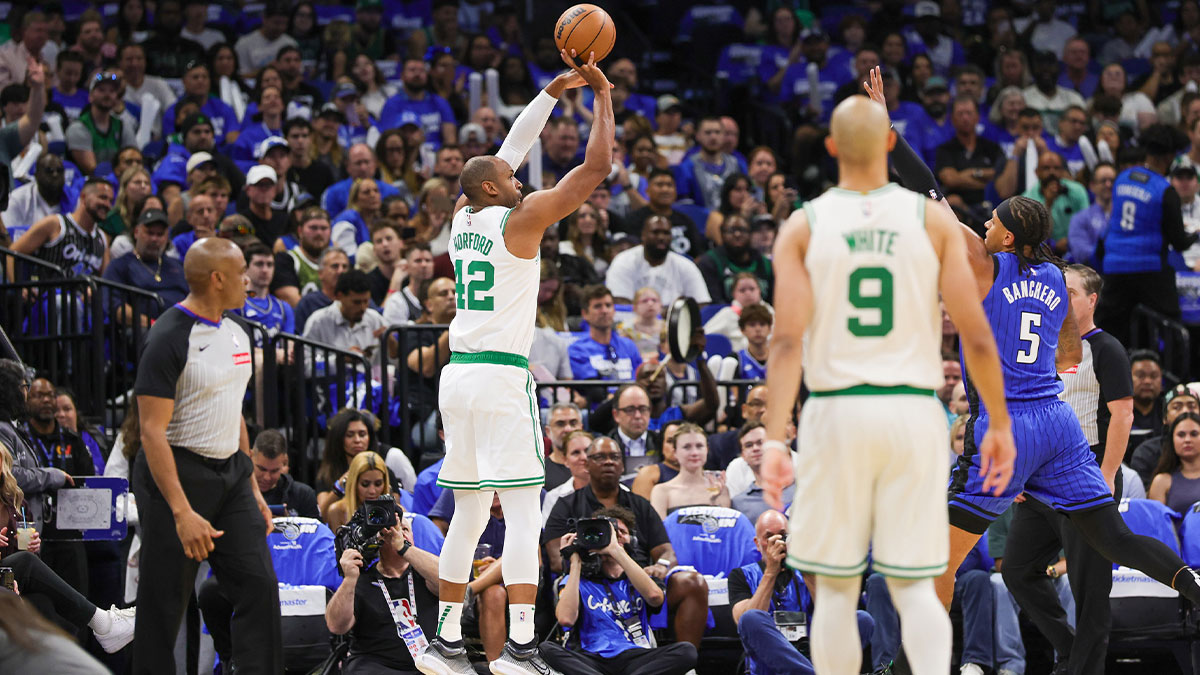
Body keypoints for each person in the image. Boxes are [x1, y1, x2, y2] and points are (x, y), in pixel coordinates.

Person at [865, 66, 1200, 642]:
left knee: (936, 564)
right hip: (1057, 421)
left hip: (1007, 425)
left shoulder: (983, 262)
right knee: (1112, 537)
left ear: (1008, 238)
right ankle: (1192, 585)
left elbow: (926, 191)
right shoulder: (1054, 273)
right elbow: (1069, 354)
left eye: (992, 220)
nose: (985, 222)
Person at [759, 88, 1016, 675]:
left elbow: (786, 342)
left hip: (834, 413)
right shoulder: (932, 220)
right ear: (892, 143)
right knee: (918, 586)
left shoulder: (803, 225)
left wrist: (775, 438)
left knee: (838, 589)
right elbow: (976, 335)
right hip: (912, 412)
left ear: (830, 148)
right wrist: (998, 422)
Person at [415, 50, 613, 675]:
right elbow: (596, 167)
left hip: (458, 377)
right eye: (511, 175)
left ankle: (445, 642)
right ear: (495, 188)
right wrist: (602, 96)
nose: (521, 175)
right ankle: (521, 648)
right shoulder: (521, 220)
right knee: (524, 511)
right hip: (501, 375)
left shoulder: (463, 216)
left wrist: (553, 90)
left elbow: (508, 149)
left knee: (470, 513)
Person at [132, 236, 281, 673]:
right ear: (217, 279)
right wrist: (181, 512)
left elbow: (233, 409)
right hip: (175, 476)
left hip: (232, 475)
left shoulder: (238, 330)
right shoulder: (169, 336)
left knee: (259, 586)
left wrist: (251, 484)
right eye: (240, 273)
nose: (248, 280)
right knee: (163, 603)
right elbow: (151, 432)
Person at [1000, 263, 1135, 675]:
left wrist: (1107, 474)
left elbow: (1124, 415)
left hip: (1085, 473)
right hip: (1040, 478)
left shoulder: (1105, 347)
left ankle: (1083, 669)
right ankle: (1068, 648)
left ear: (1091, 300)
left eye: (1071, 293)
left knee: (1089, 589)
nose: (1062, 299)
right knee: (1018, 570)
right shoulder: (1041, 346)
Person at [543, 437, 709, 648]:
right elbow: (558, 561)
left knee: (691, 582)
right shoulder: (566, 505)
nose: (609, 462)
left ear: (623, 465)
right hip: (589, 583)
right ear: (587, 464)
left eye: (614, 457)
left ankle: (687, 667)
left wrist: (661, 565)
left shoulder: (640, 505)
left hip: (637, 581)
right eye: (600, 457)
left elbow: (667, 552)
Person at [541, 505, 697, 675]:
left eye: (620, 532)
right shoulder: (575, 580)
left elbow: (655, 597)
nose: (614, 536)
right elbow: (565, 620)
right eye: (606, 532)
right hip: (592, 659)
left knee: (686, 651)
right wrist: (576, 562)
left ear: (632, 540)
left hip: (637, 657)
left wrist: (616, 549)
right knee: (546, 649)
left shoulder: (641, 577)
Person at [731, 509, 873, 675]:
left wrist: (808, 573)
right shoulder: (741, 575)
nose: (777, 543)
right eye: (769, 537)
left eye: (783, 535)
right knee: (750, 618)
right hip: (768, 664)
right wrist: (770, 571)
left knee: (862, 619)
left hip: (814, 655)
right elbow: (743, 623)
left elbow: (832, 619)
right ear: (757, 543)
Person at [1095, 124, 1198, 347]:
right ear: (1169, 156)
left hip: (1115, 268)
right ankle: (1177, 377)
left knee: (1109, 331)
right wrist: (1195, 234)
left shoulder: (1122, 178)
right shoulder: (1164, 189)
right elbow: (1179, 242)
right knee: (1174, 329)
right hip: (1149, 270)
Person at [326, 515, 443, 674]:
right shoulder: (361, 580)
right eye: (390, 530)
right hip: (376, 666)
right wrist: (349, 579)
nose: (398, 534)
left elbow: (448, 582)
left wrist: (404, 547)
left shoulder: (424, 573)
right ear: (378, 539)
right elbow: (336, 626)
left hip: (430, 665)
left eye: (404, 529)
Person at [12, 178, 112, 277]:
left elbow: (105, 283)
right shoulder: (55, 224)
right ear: (83, 197)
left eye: (110, 200)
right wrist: (17, 288)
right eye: (102, 197)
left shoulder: (102, 239)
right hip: (49, 291)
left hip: (82, 292)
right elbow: (12, 253)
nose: (107, 204)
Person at [102, 208, 190, 321]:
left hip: (182, 328)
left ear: (167, 237)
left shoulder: (177, 265)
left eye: (160, 234)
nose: (154, 239)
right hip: (142, 330)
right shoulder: (120, 265)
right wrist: (151, 325)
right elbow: (113, 305)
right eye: (149, 233)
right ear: (136, 232)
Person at [605, 214, 711, 306]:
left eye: (666, 233)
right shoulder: (623, 261)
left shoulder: (685, 265)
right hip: (633, 326)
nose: (661, 237)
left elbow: (702, 303)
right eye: (655, 232)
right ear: (643, 235)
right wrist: (664, 312)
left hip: (676, 326)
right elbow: (619, 302)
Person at [302, 269, 389, 366]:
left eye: (366, 301)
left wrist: (390, 341)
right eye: (357, 302)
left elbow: (396, 360)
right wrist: (339, 360)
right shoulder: (318, 321)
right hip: (331, 380)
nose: (363, 308)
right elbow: (305, 367)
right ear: (339, 296)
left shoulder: (375, 318)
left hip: (371, 380)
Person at [568, 285, 643, 392]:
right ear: (585, 314)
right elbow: (594, 391)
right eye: (597, 306)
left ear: (614, 310)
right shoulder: (577, 350)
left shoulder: (629, 346)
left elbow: (641, 380)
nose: (604, 311)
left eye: (608, 305)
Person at [65, 71, 140, 175]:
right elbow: (92, 169)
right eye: (101, 90)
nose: (107, 94)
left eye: (112, 91)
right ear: (90, 96)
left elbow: (134, 159)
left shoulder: (122, 126)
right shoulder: (78, 127)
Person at [649, 423, 729, 517]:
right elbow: (659, 530)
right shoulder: (661, 491)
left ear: (707, 449)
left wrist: (714, 500)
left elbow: (725, 528)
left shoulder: (720, 490)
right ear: (675, 452)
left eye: (699, 446)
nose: (694, 453)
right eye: (687, 447)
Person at [1130, 385, 1200, 487]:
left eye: (1191, 406)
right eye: (1177, 407)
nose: (1185, 411)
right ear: (1165, 418)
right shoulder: (1146, 453)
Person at [627, 169, 707, 257]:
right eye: (659, 185)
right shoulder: (635, 220)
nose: (665, 189)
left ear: (676, 191)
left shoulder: (686, 221)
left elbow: (698, 255)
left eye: (669, 185)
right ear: (647, 190)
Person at [696, 214, 774, 305]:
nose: (737, 234)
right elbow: (714, 304)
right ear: (722, 234)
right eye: (731, 230)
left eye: (742, 230)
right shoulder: (709, 262)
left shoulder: (765, 264)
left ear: (750, 234)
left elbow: (775, 300)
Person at [1, 154, 70, 244]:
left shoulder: (73, 200)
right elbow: (6, 236)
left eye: (59, 170)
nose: (55, 175)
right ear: (36, 174)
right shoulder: (18, 199)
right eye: (49, 171)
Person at [272, 206, 332, 307]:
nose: (319, 233)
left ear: (330, 232)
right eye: (313, 228)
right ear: (300, 231)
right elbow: (291, 300)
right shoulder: (286, 260)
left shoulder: (338, 264)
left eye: (324, 228)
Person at [251, 429, 317, 518]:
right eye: (262, 469)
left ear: (285, 462)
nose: (267, 477)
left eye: (274, 471)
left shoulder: (303, 495)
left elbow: (318, 531)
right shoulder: (234, 494)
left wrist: (289, 524)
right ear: (250, 456)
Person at [324, 451, 391, 533]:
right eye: (365, 484)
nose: (372, 491)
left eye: (378, 484)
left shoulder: (397, 512)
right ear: (353, 484)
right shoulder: (337, 511)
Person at [239, 241, 295, 334]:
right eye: (259, 264)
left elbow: (289, 346)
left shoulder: (283, 308)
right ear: (246, 269)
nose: (265, 270)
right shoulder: (237, 305)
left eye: (269, 265)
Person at [1148, 413, 1200, 513]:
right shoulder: (1161, 482)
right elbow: (1157, 525)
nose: (1187, 440)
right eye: (1181, 435)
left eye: (1194, 434)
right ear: (1172, 440)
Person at [1067, 163, 1117, 265]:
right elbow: (1079, 251)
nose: (1109, 185)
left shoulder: (1125, 216)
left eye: (1112, 181)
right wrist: (1105, 254)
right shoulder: (1080, 218)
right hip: (1092, 273)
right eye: (1103, 181)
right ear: (1092, 186)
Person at [541, 429, 593, 526]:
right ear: (565, 460)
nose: (584, 457)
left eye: (588, 451)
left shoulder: (620, 491)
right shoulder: (553, 497)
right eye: (576, 453)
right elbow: (548, 539)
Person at [295, 249, 350, 332]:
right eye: (335, 266)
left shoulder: (358, 300)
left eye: (345, 267)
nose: (340, 271)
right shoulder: (308, 303)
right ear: (320, 273)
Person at [383, 243, 435, 325]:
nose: (424, 265)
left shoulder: (445, 296)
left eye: (428, 260)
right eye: (418, 261)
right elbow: (395, 336)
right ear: (407, 266)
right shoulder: (396, 301)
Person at [543, 403, 583, 491]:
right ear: (548, 431)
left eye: (573, 423)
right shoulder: (539, 473)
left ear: (581, 427)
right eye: (560, 424)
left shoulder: (593, 467)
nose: (568, 429)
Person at [736, 304, 773, 381]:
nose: (758, 329)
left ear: (770, 328)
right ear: (742, 330)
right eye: (752, 325)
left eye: (762, 324)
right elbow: (734, 392)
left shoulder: (781, 358)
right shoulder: (736, 360)